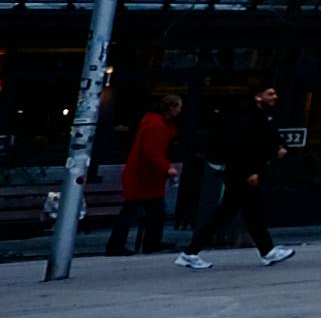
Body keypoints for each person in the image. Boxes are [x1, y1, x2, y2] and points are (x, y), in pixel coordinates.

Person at [178, 84, 294, 271]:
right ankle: (190, 253)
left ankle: (267, 251)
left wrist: (277, 147)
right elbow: (243, 147)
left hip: (242, 172)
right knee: (231, 214)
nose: (275, 96)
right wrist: (250, 171)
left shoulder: (259, 116)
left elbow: (265, 139)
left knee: (243, 213)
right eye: (270, 93)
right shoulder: (248, 118)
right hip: (241, 173)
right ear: (258, 97)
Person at [105, 92, 182, 256]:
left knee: (148, 210)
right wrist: (167, 168)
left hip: (144, 175)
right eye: (179, 107)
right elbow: (152, 151)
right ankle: (129, 243)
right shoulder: (157, 125)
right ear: (172, 108)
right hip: (144, 176)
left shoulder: (154, 122)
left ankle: (148, 242)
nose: (180, 111)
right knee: (137, 211)